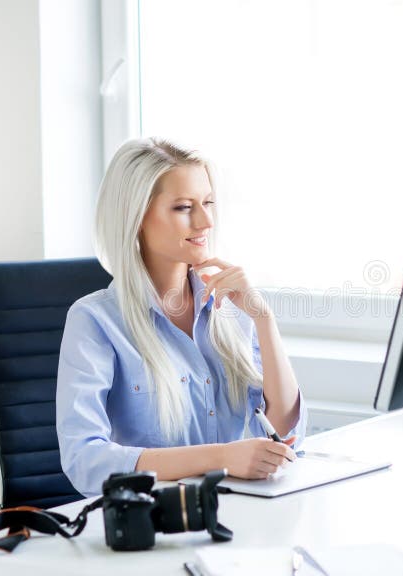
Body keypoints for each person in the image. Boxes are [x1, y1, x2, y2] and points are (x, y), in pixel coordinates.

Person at [56, 137, 307, 497]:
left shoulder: (231, 309)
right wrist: (220, 458)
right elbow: (85, 460)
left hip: (246, 513)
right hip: (159, 523)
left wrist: (264, 319)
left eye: (208, 203)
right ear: (138, 215)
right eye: (183, 207)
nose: (205, 220)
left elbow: (283, 431)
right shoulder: (95, 321)